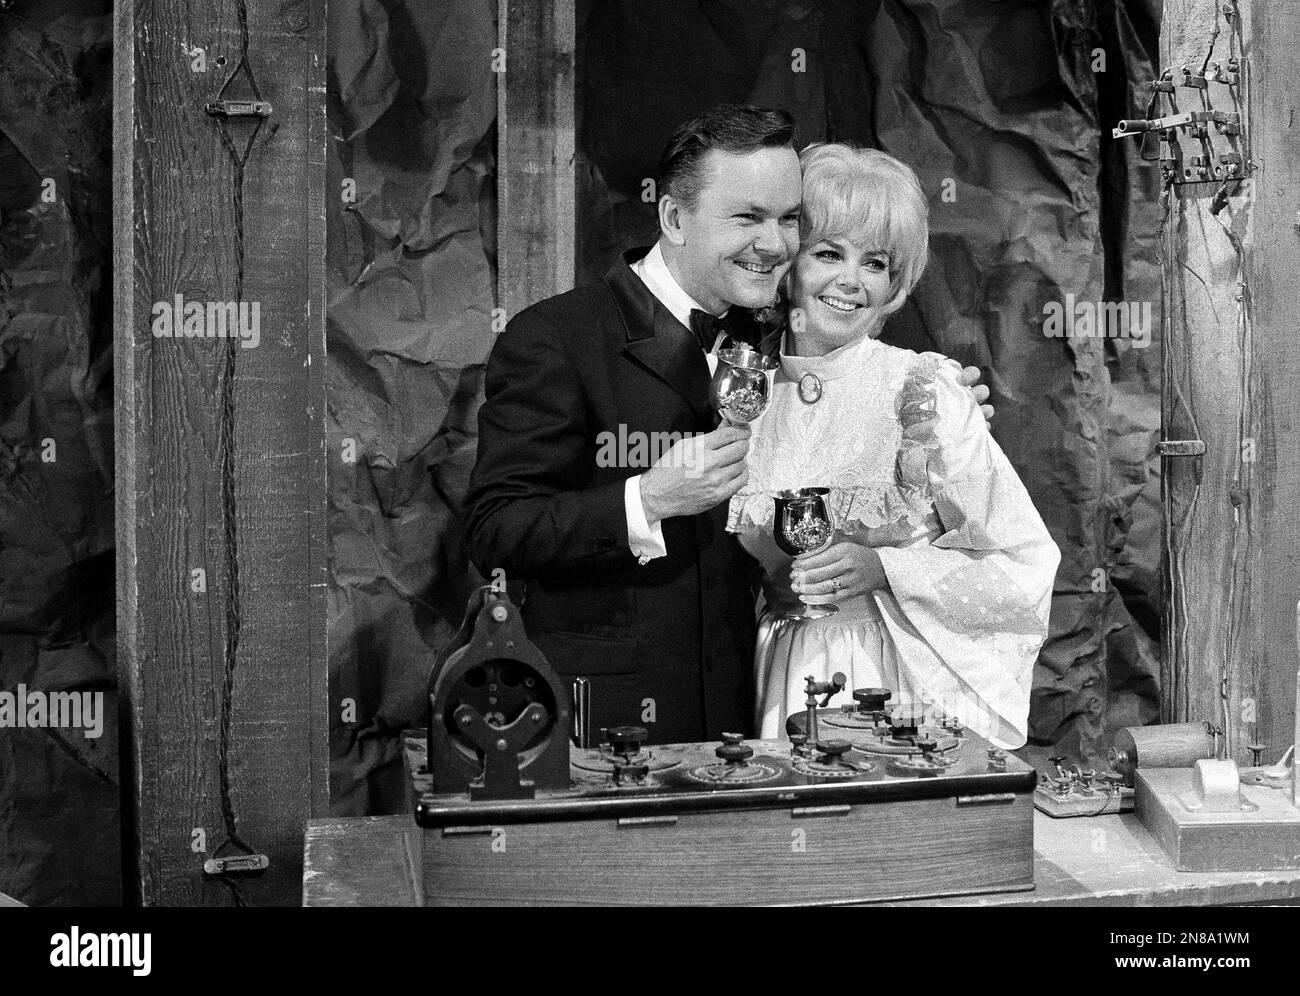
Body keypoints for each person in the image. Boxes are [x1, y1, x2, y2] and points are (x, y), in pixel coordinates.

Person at [466, 105, 991, 745]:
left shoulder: (775, 338)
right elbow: (496, 528)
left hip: (758, 706)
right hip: (609, 721)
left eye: (789, 219)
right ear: (673, 218)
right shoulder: (556, 337)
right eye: (747, 217)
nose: (773, 244)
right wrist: (645, 499)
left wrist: (945, 415)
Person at [728, 144, 1059, 749]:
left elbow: (1023, 561)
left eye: (875, 263)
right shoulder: (744, 392)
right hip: (775, 670)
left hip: (893, 674)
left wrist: (884, 567)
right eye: (828, 253)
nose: (850, 281)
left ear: (893, 286)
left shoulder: (926, 391)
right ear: (787, 266)